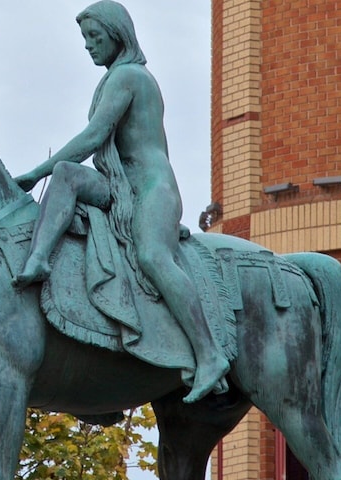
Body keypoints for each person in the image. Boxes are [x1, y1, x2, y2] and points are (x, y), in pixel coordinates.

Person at [12, 0, 229, 403]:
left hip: (151, 188)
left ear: (117, 35)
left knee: (152, 256)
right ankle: (38, 259)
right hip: (120, 186)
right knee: (67, 175)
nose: (88, 45)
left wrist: (34, 173)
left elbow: (94, 136)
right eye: (85, 38)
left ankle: (209, 353)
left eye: (95, 36)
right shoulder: (113, 77)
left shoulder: (130, 76)